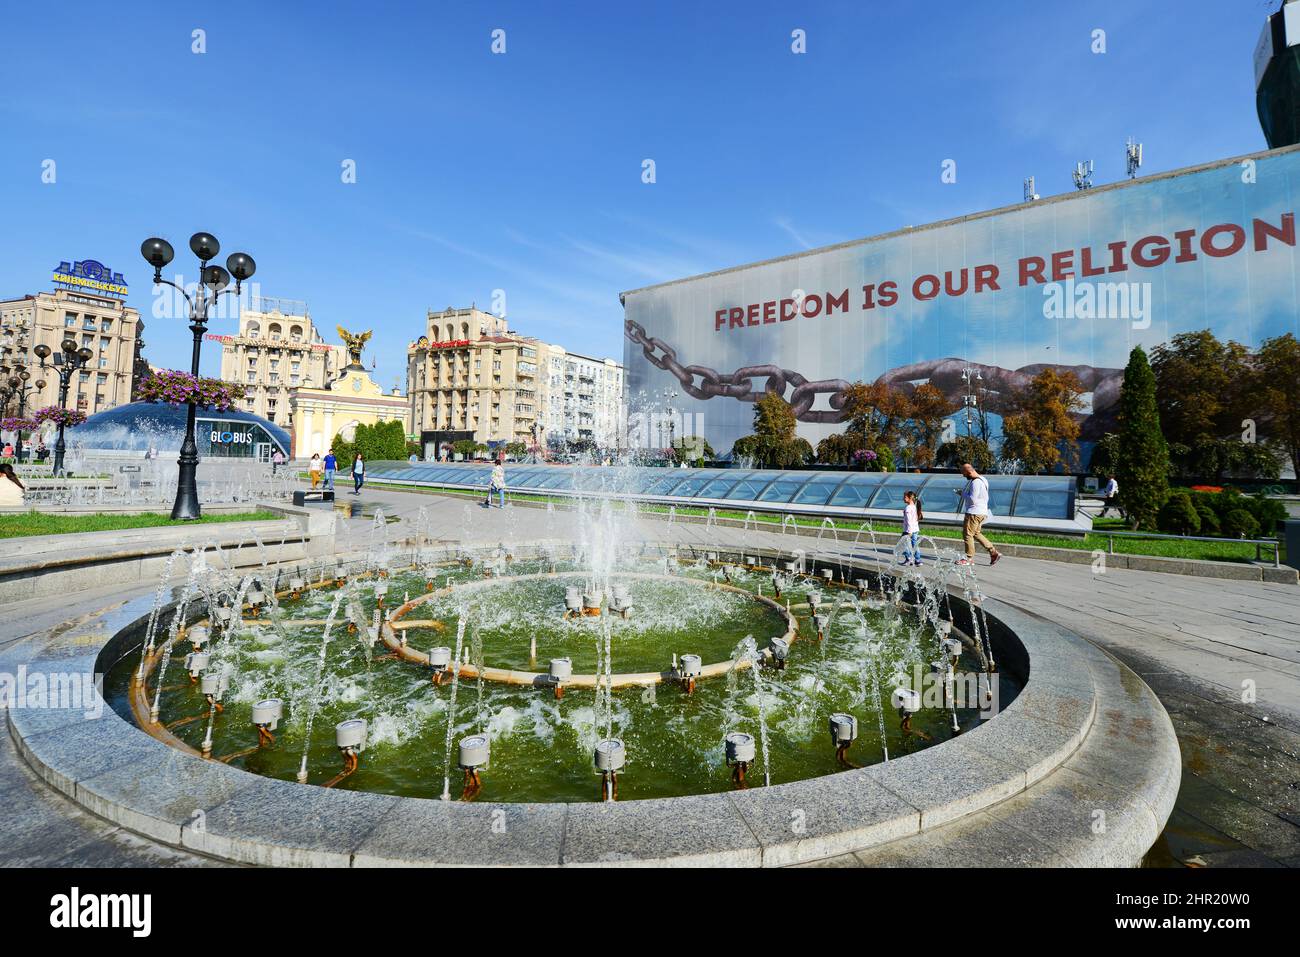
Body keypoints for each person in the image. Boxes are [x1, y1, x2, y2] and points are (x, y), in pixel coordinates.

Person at [957, 462, 1001, 567]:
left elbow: (973, 499)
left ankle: (969, 558)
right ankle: (993, 552)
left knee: (968, 534)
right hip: (982, 512)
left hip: (974, 512)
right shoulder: (983, 480)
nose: (963, 475)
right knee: (976, 533)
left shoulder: (975, 482)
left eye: (964, 473)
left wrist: (961, 493)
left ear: (969, 471)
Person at [898, 490, 923, 567]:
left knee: (904, 544)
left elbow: (909, 521)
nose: (903, 498)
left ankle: (908, 559)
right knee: (915, 545)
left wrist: (909, 532)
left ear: (910, 498)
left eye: (905, 497)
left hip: (908, 530)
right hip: (915, 530)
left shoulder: (908, 508)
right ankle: (918, 560)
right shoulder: (914, 507)